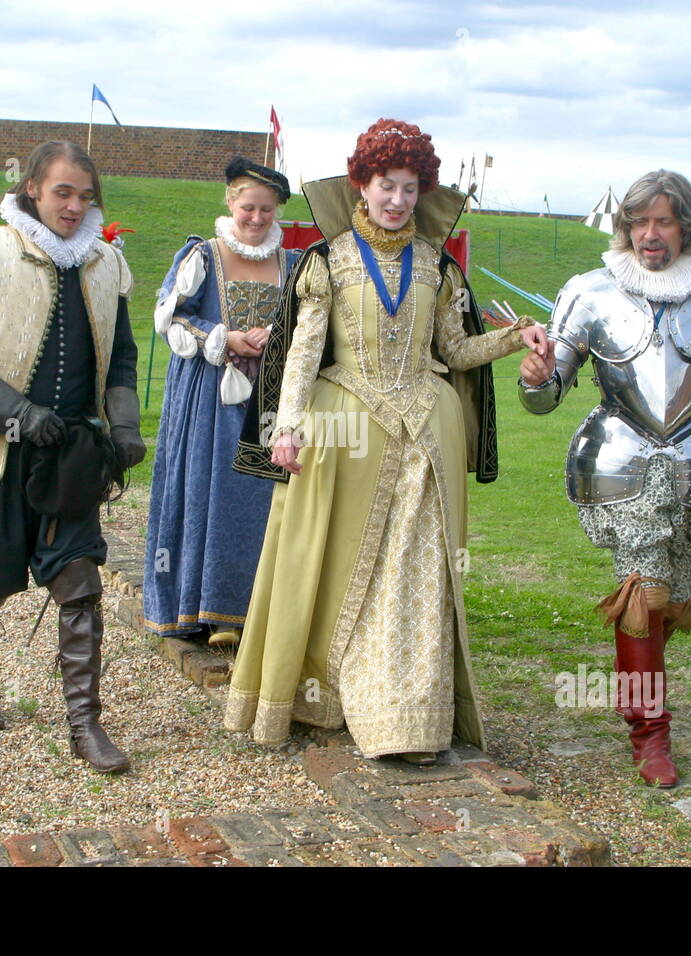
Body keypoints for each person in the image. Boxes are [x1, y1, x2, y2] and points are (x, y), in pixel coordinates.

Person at [225, 119, 545, 763]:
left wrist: (515, 338)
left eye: (408, 188)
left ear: (420, 192)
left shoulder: (435, 266)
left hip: (427, 439)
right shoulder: (328, 261)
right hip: (346, 434)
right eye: (384, 186)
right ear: (361, 186)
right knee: (338, 565)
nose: (396, 200)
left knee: (419, 574)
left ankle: (408, 717)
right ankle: (325, 696)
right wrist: (285, 427)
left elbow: (453, 349)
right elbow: (304, 352)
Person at [519, 169, 691, 787]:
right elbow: (545, 395)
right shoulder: (588, 292)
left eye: (663, 221)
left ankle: (636, 692)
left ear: (685, 227)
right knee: (643, 588)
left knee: (671, 593)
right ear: (626, 227)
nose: (650, 234)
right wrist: (537, 375)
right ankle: (651, 731)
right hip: (618, 462)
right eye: (639, 221)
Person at [0, 140, 144, 774]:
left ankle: (85, 723)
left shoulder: (107, 266)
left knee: (80, 587)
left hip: (71, 455)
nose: (75, 206)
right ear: (32, 192)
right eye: (62, 193)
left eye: (85, 195)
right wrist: (16, 410)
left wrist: (123, 424)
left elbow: (122, 356)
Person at [142, 158, 301, 647]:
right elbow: (170, 317)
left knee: (257, 500)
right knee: (204, 491)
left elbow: (309, 325)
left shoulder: (293, 265)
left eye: (267, 211)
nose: (256, 219)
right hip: (207, 398)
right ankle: (196, 607)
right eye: (248, 207)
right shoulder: (202, 255)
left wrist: (275, 335)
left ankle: (248, 611)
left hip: (267, 400)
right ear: (230, 203)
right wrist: (223, 336)